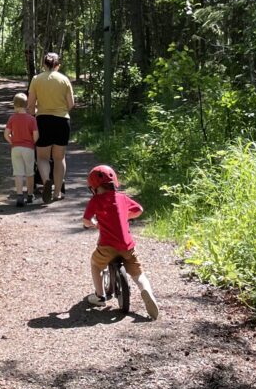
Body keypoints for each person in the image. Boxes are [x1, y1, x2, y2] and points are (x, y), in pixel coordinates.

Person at [81, 164, 159, 319]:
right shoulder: (122, 198)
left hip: (107, 247)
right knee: (138, 274)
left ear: (94, 187)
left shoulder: (95, 200)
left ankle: (100, 296)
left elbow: (86, 220)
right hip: (128, 247)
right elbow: (139, 210)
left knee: (95, 264)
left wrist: (93, 224)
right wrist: (125, 216)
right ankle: (147, 292)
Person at [28, 50, 74, 201]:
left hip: (43, 120)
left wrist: (35, 113)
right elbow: (71, 104)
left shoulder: (36, 79)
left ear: (44, 64)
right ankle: (57, 193)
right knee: (59, 158)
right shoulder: (64, 79)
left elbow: (30, 105)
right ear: (57, 65)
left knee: (42, 157)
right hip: (62, 121)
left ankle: (46, 180)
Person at [2, 92, 40, 206]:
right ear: (26, 105)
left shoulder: (12, 118)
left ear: (14, 105)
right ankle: (30, 194)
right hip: (28, 148)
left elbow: (6, 134)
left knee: (18, 172)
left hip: (16, 148)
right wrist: (32, 143)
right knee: (30, 172)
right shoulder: (31, 119)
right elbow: (36, 135)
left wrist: (12, 141)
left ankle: (19, 196)